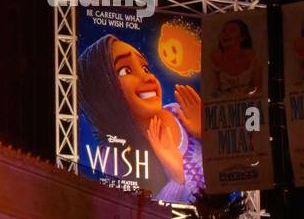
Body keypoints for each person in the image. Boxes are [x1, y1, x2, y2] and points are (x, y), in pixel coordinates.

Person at [78, 34, 203, 203]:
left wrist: (206, 133)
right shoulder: (112, 156)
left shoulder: (181, 113)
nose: (148, 77)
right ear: (103, 89)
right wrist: (177, 177)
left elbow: (233, 178)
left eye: (145, 68)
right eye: (125, 70)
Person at [210, 18, 263, 97]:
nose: (226, 34)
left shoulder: (253, 58)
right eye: (224, 31)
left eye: (232, 30)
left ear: (242, 37)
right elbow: (211, 92)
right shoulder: (215, 58)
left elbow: (259, 90)